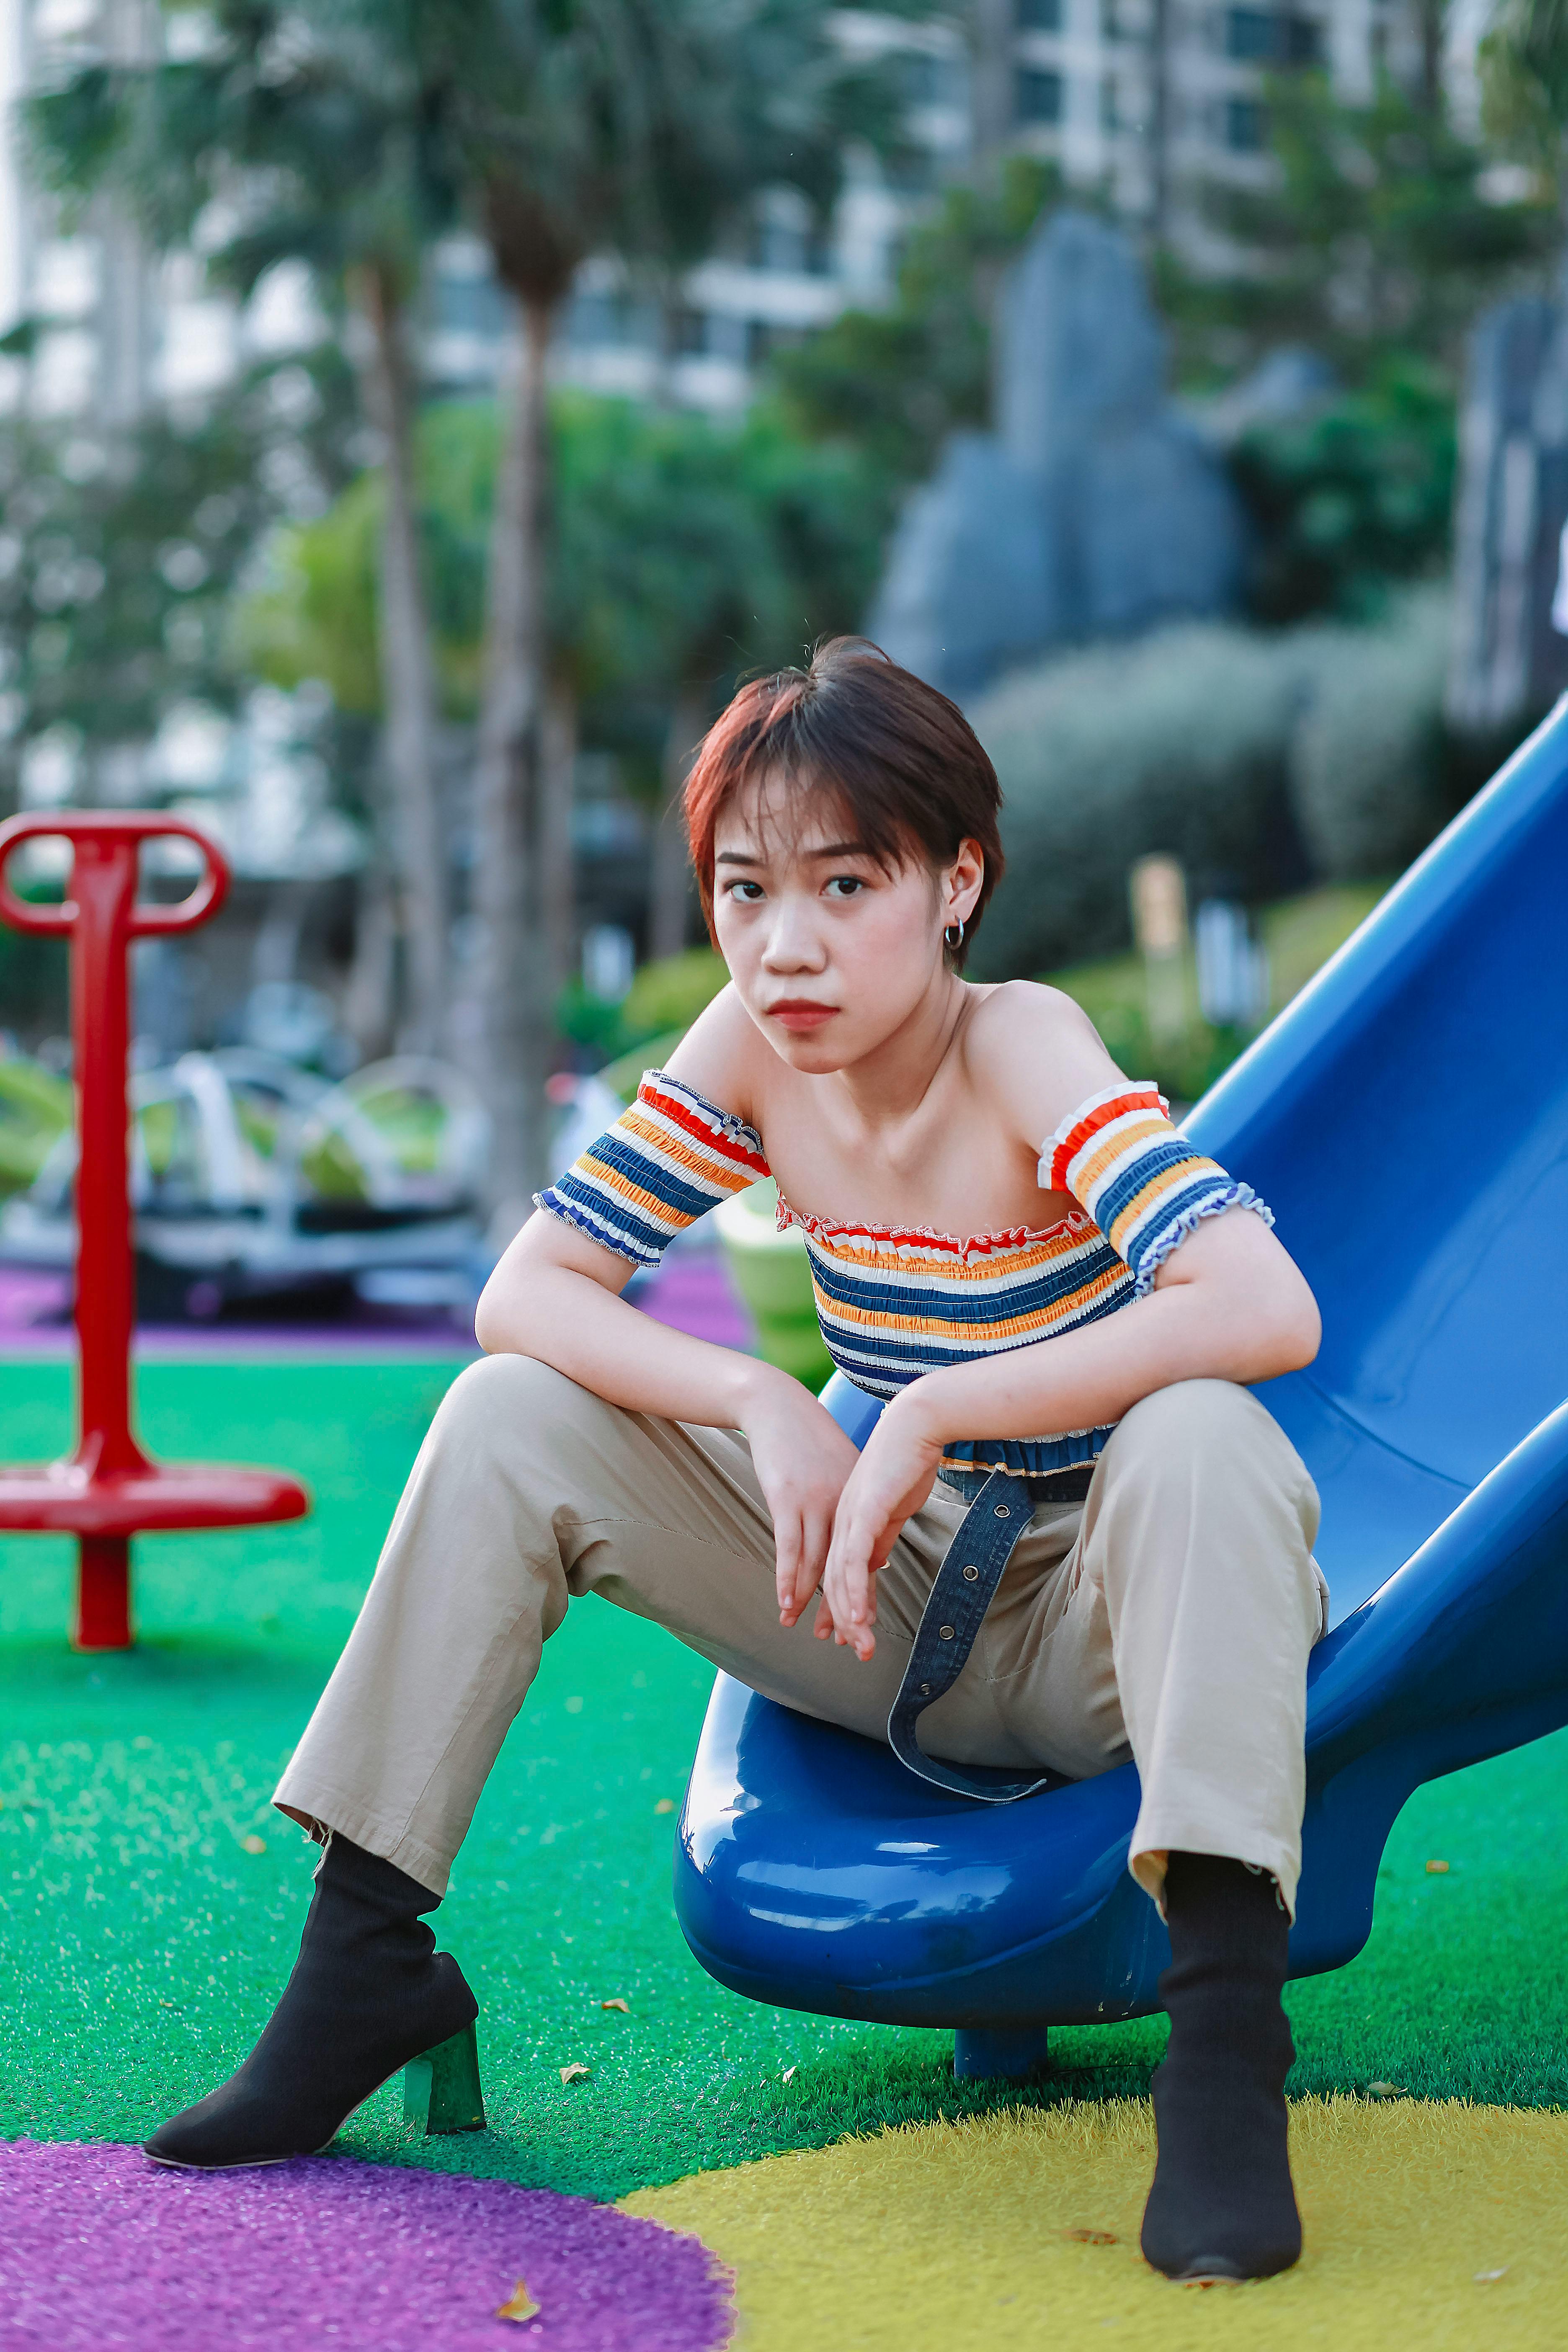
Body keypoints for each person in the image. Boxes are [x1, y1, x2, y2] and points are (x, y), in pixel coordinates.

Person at [146, 640, 1326, 2286]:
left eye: (847, 884)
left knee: (1206, 1429)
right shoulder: (758, 1048)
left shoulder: (1024, 1044)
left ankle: (1224, 2052)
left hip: (1109, 1628)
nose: (787, 945)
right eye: (744, 890)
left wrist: (929, 1410)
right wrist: (763, 1400)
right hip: (875, 1603)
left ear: (957, 883)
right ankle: (366, 1961)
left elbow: (1264, 1305)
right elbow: (527, 1291)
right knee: (506, 1412)